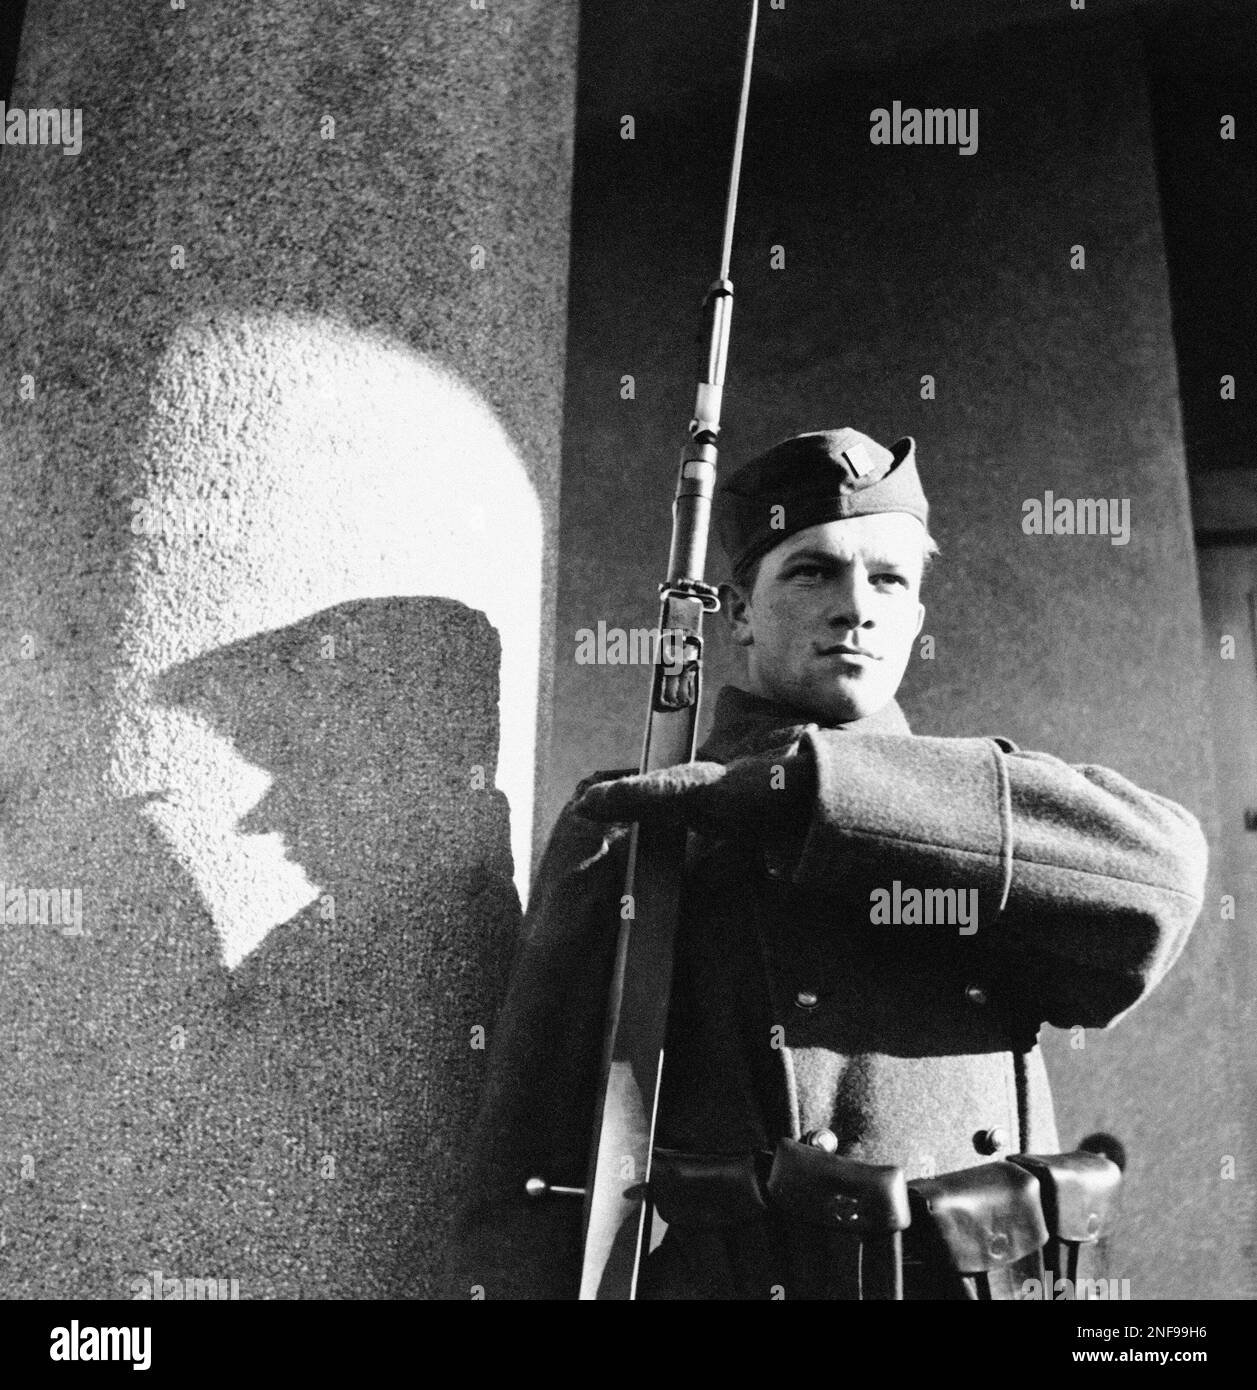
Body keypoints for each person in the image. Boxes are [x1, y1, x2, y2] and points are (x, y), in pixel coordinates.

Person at [447, 427, 1208, 1300]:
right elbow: (529, 1170)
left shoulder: (1003, 814)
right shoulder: (641, 829)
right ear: (737, 613)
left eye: (888, 578)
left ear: (916, 616)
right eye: (811, 571)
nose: (855, 605)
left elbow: (1163, 878)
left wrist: (806, 794)